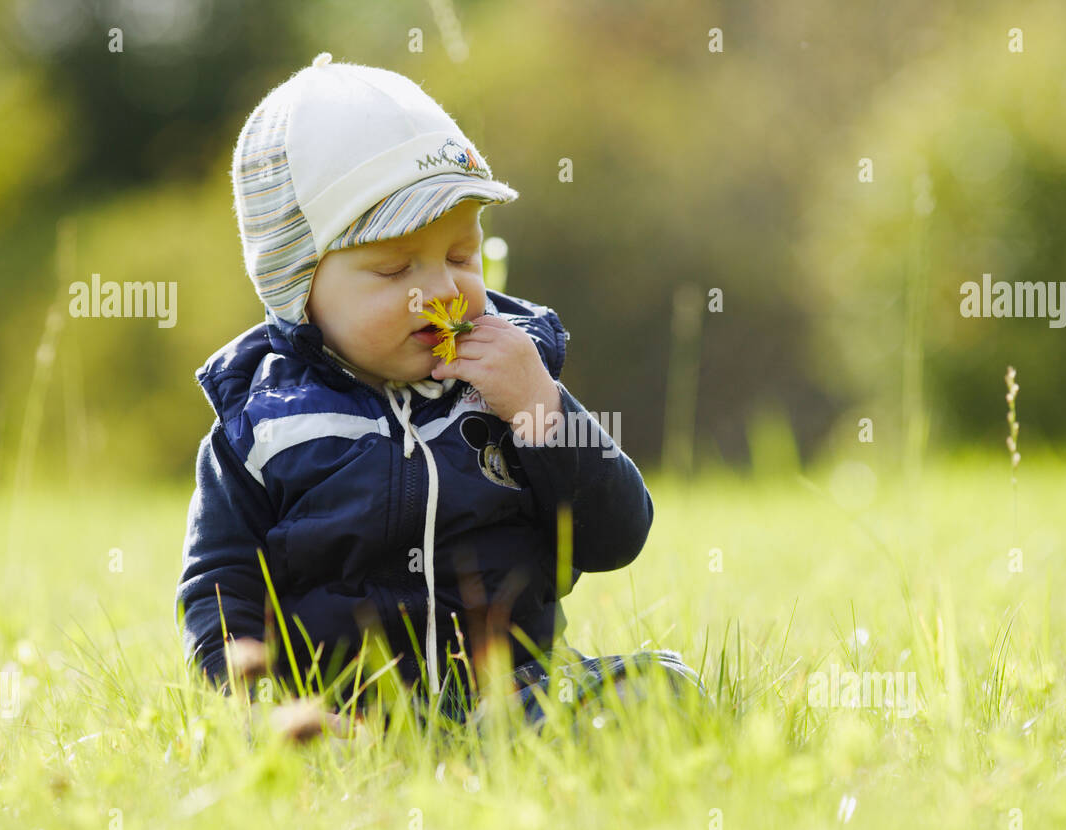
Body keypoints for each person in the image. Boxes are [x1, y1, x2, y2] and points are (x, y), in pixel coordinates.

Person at [174, 52, 705, 727]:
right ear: (298, 289)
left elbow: (615, 536)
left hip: (515, 695)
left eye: (461, 256)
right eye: (395, 268)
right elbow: (221, 590)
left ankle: (527, 745)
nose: (442, 291)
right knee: (325, 742)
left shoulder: (507, 382)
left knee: (663, 687)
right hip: (352, 716)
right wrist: (252, 709)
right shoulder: (263, 426)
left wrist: (541, 409)